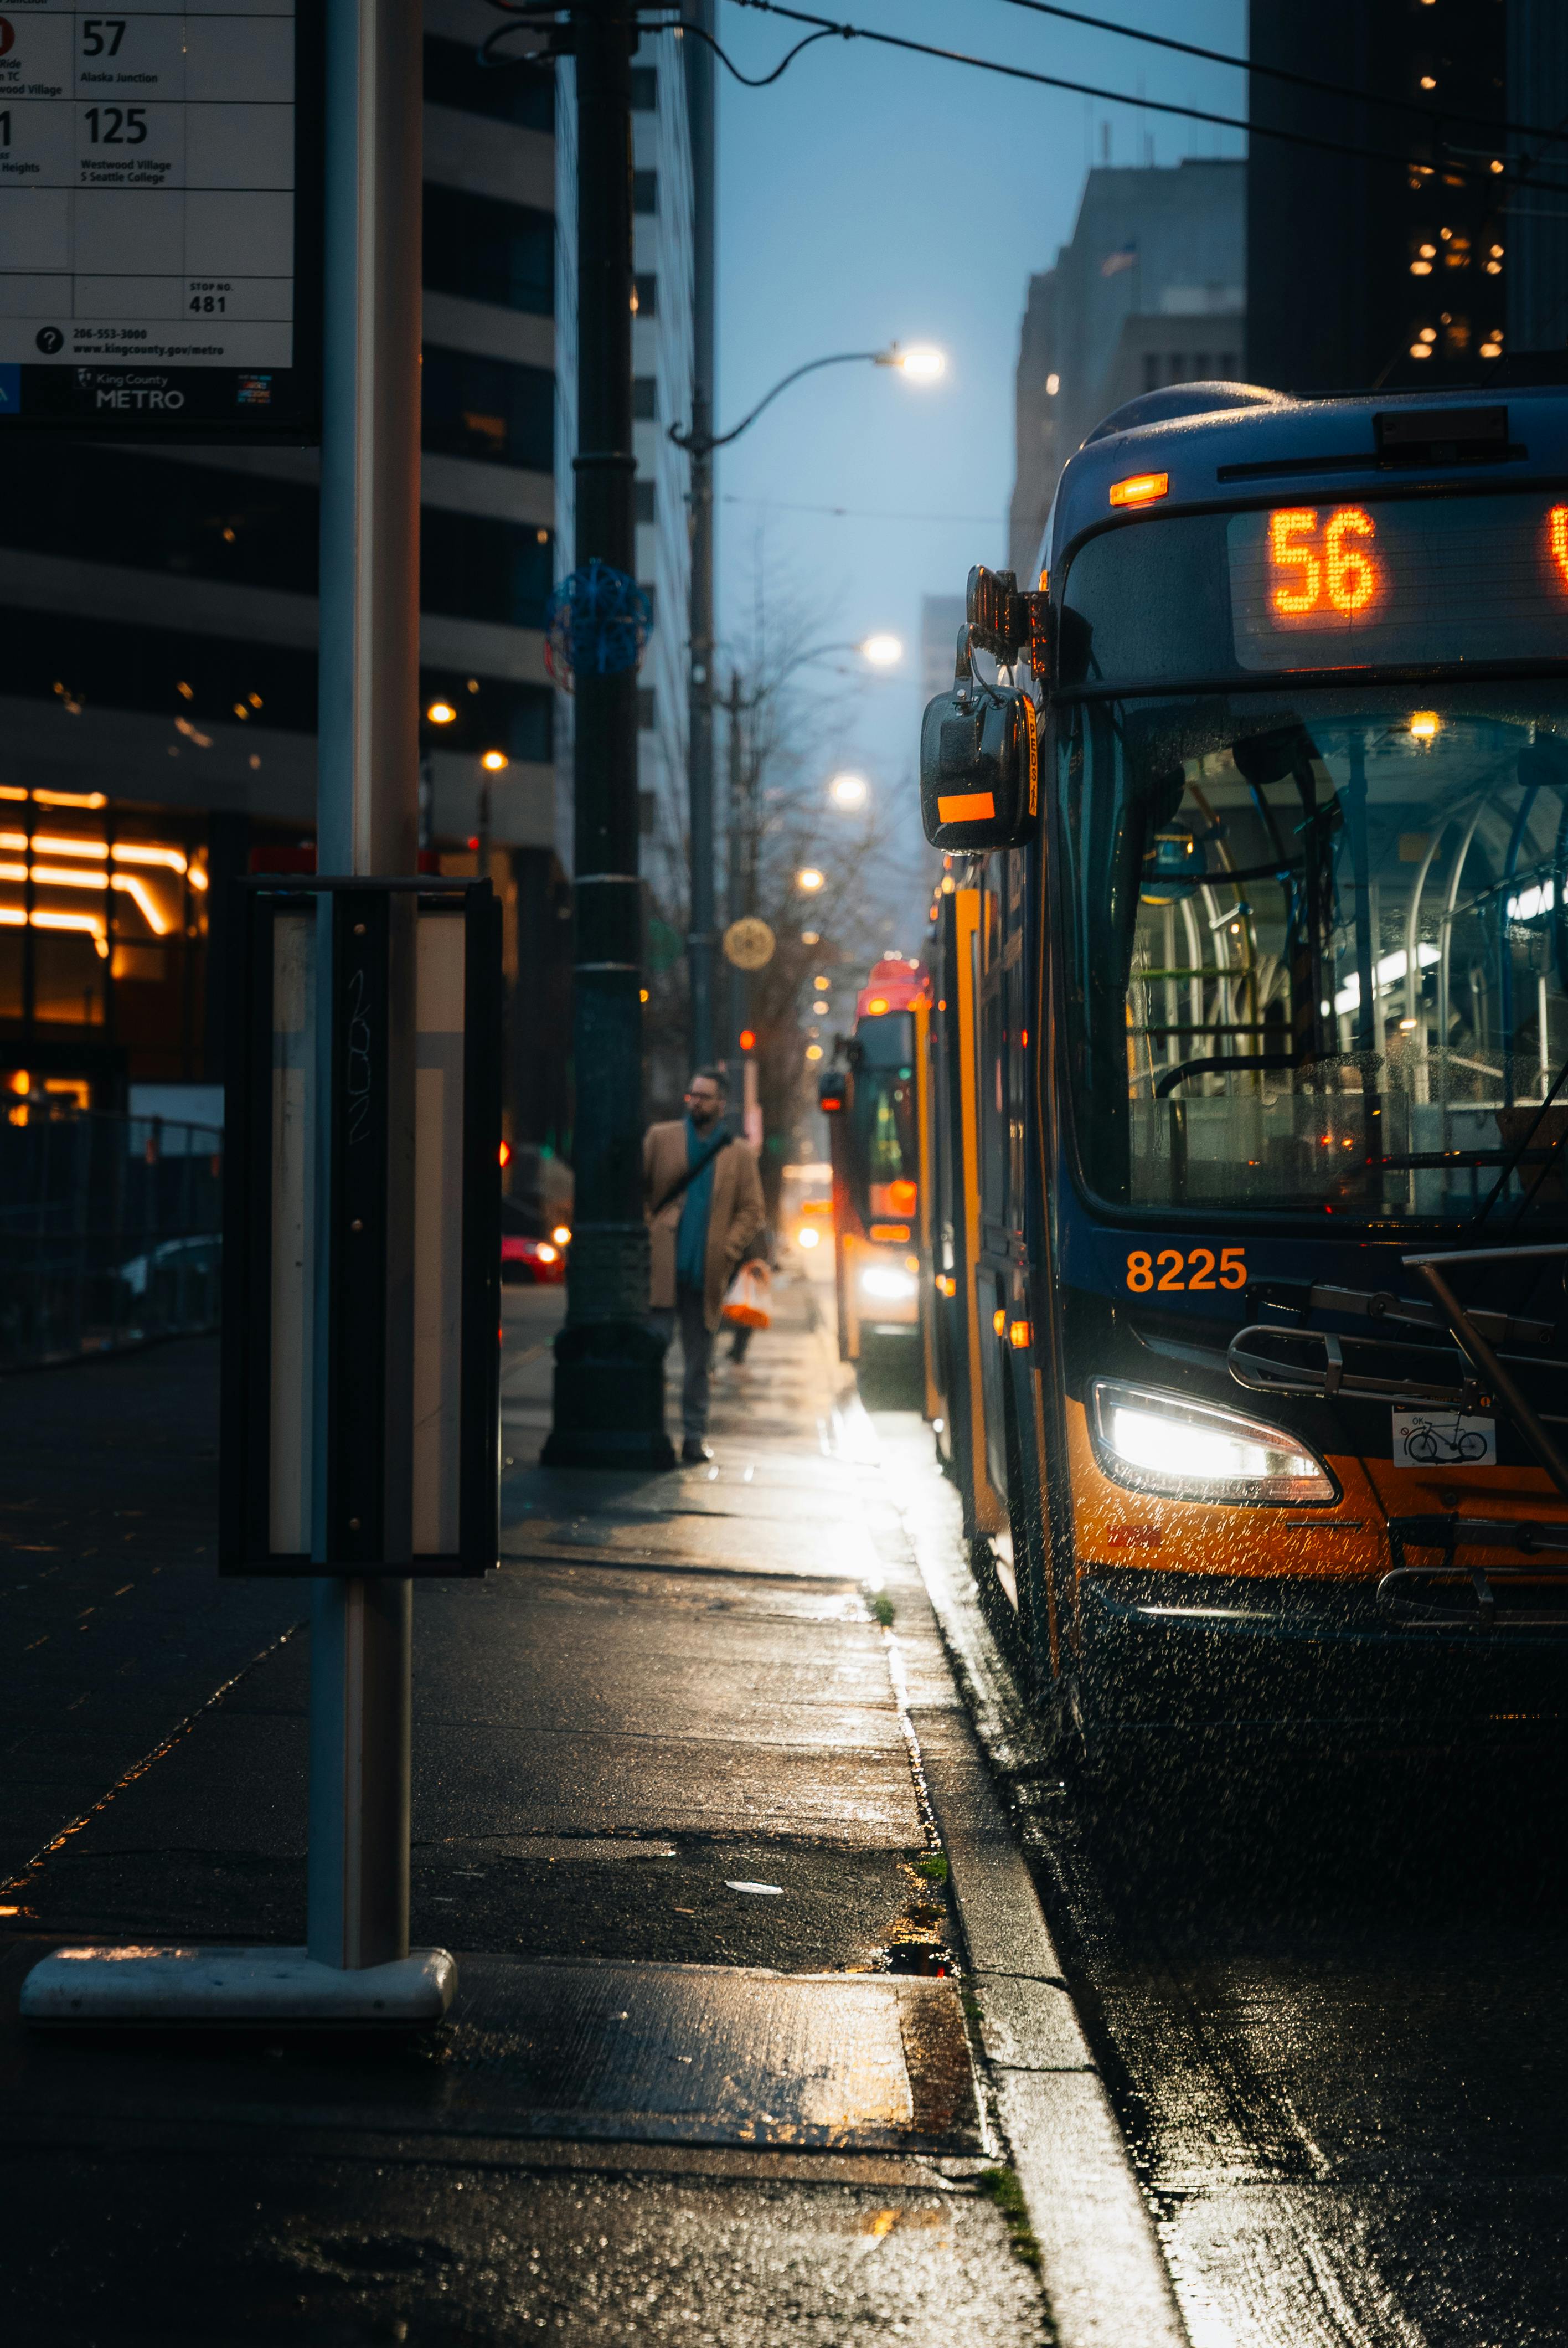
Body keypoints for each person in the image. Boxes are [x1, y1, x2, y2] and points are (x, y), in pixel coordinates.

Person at [645, 1068, 765, 1464]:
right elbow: (637, 1189)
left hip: (707, 1272)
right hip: (661, 1269)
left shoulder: (738, 1153)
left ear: (722, 1105)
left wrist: (729, 1249)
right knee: (651, 1352)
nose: (695, 1102)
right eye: (692, 1095)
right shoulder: (662, 1138)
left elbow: (753, 1210)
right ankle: (651, 1434)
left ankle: (693, 1438)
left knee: (700, 1362)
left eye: (705, 1097)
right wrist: (651, 1227)